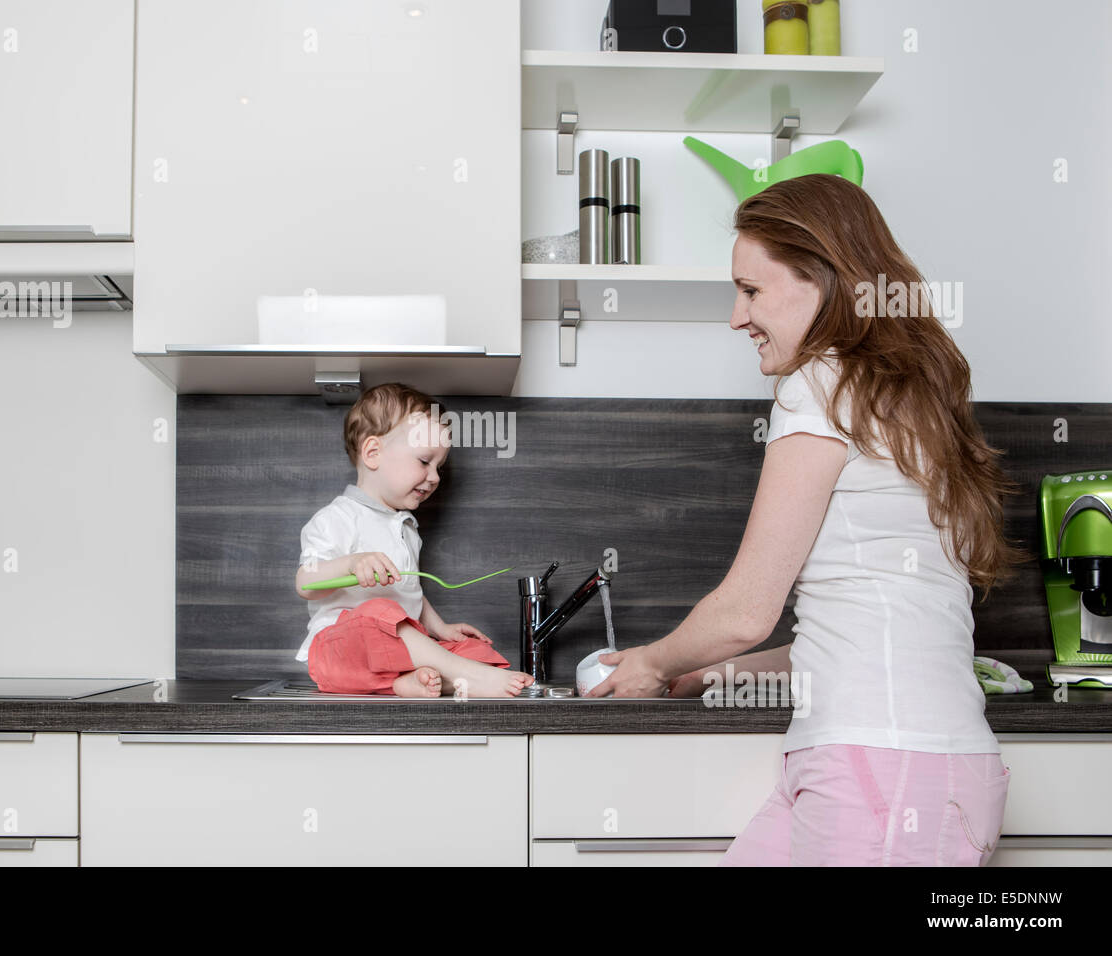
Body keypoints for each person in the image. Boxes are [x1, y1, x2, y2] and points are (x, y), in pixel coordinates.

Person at [588, 174, 1028, 866]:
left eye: (752, 290)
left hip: (885, 774)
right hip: (901, 767)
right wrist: (709, 675)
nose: (737, 317)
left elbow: (743, 612)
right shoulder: (906, 403)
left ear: (822, 282)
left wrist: (650, 661)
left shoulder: (819, 385)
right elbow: (849, 634)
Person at [294, 383, 534, 698]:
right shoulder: (336, 519)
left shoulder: (405, 525)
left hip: (394, 655)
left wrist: (440, 629)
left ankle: (411, 682)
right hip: (338, 654)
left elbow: (409, 590)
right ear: (373, 453)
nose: (435, 476)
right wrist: (352, 563)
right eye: (424, 461)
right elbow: (305, 582)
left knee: (477, 650)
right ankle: (460, 675)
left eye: (439, 467)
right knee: (377, 613)